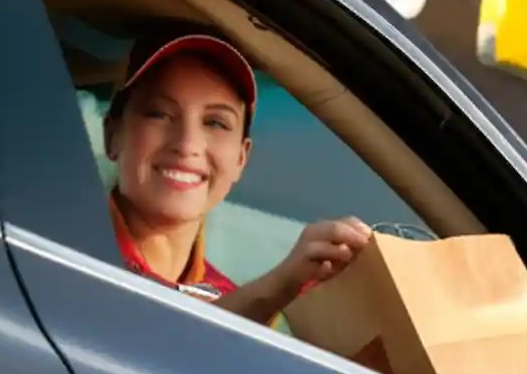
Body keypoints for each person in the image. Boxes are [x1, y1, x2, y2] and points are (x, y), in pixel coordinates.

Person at [102, 24, 372, 325]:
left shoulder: (234, 301)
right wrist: (276, 287)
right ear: (113, 136)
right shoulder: (60, 247)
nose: (187, 144)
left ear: (241, 158)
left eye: (216, 123)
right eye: (159, 114)